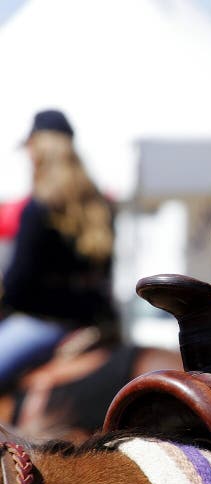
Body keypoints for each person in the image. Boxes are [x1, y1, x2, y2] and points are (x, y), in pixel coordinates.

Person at [0, 110, 116, 390]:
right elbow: (106, 275)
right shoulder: (101, 205)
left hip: (44, 326)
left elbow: (18, 286)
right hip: (97, 325)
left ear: (37, 149)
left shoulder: (37, 208)